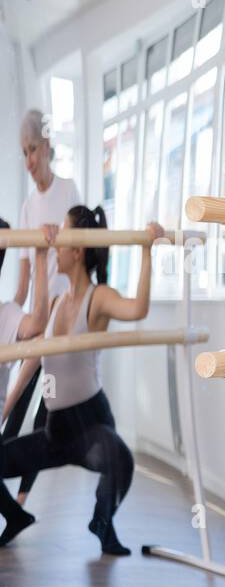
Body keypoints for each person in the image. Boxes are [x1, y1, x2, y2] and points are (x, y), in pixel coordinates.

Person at [1, 207, 159, 555]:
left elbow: (138, 310)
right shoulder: (56, 302)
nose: (57, 247)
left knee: (122, 463)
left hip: (91, 422)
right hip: (57, 430)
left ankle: (102, 524)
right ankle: (15, 517)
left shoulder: (98, 297)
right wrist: (6, 409)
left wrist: (147, 250)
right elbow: (32, 362)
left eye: (63, 239)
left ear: (78, 249)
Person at [5, 109, 82, 504]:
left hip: (61, 320)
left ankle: (20, 502)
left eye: (33, 149)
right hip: (37, 322)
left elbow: (79, 258)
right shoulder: (25, 207)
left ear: (48, 148)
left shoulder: (68, 192)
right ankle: (13, 510)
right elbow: (21, 286)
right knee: (13, 407)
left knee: (42, 414)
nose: (29, 161)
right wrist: (9, 323)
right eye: (23, 152)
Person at [0, 217, 53, 544]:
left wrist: (41, 256)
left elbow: (38, 324)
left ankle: (16, 515)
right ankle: (16, 515)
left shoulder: (5, 314)